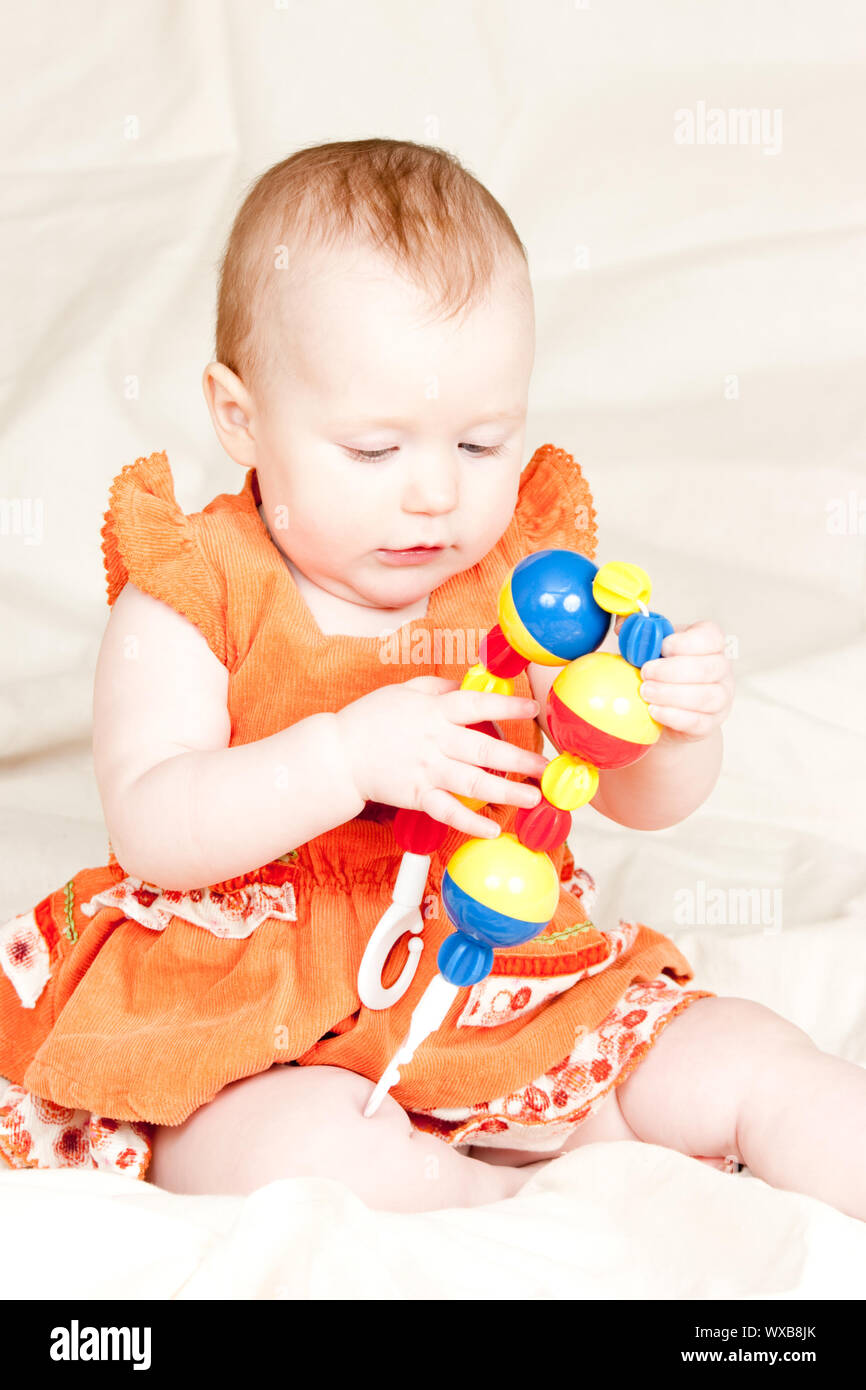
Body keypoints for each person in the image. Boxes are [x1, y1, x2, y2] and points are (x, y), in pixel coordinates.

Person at [2, 139, 863, 1219]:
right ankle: (499, 1222)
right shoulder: (196, 588)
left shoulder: (524, 588)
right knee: (298, 1147)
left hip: (490, 970)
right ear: (240, 417)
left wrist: (671, 724)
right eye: (372, 451)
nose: (432, 496)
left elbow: (639, 798)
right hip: (251, 1011)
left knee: (743, 1055)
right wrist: (343, 754)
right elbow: (152, 823)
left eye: (478, 441)